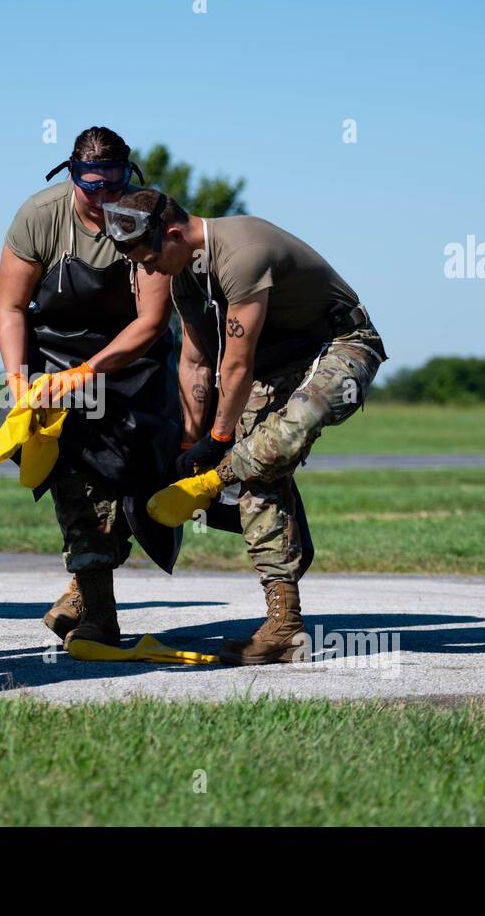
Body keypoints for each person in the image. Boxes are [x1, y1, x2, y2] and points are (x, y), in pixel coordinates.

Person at [101, 190, 388, 665]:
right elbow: (194, 362)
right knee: (255, 468)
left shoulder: (241, 253)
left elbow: (235, 364)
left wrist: (217, 447)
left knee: (281, 437)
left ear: (174, 234)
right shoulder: (184, 276)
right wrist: (192, 445)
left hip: (338, 345)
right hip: (277, 365)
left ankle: (227, 480)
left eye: (150, 258)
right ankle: (284, 626)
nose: (149, 270)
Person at [0, 127, 179, 649]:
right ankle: (100, 615)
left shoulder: (148, 216)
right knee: (75, 474)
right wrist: (19, 381)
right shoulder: (39, 215)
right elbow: (10, 308)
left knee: (139, 483)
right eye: (88, 185)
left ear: (129, 175)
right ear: (70, 174)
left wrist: (89, 373)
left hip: (134, 363)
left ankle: (82, 588)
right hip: (52, 359)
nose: (100, 199)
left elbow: (151, 320)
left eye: (112, 184)